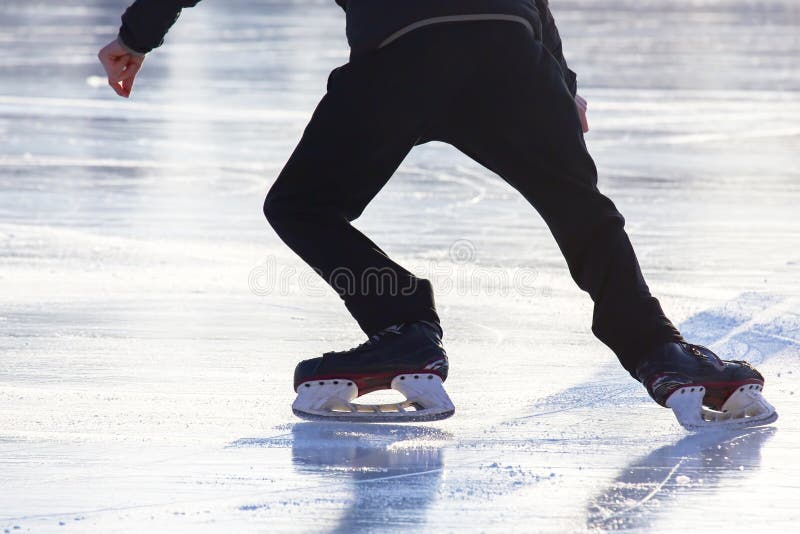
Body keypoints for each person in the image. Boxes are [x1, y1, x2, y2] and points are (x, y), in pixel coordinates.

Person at [98, 0, 777, 429]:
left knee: (302, 204)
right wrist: (561, 86)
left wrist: (136, 35)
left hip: (402, 56)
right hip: (512, 52)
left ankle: (401, 323)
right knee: (584, 215)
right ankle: (660, 352)